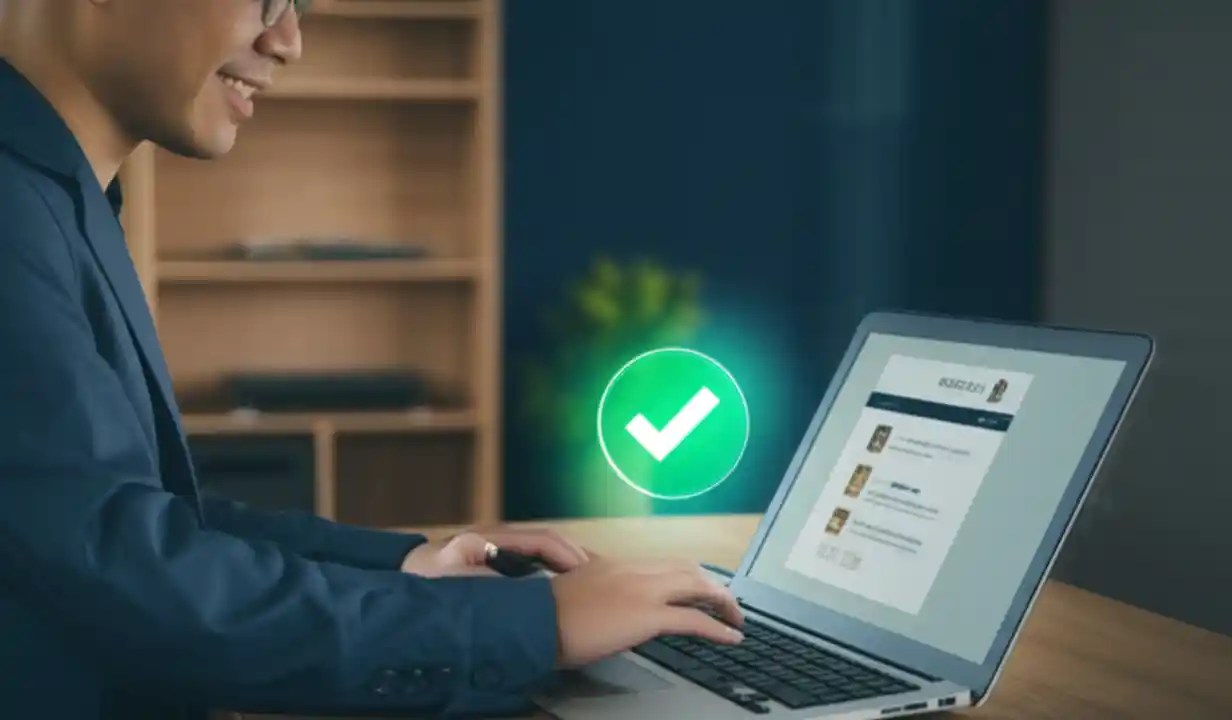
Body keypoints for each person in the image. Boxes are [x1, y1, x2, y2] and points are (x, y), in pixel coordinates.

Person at [0, 1, 743, 718]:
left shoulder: (56, 195)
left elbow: (146, 523)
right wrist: (529, 626)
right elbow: (137, 582)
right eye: (266, 0)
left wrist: (408, 565)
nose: (288, 41)